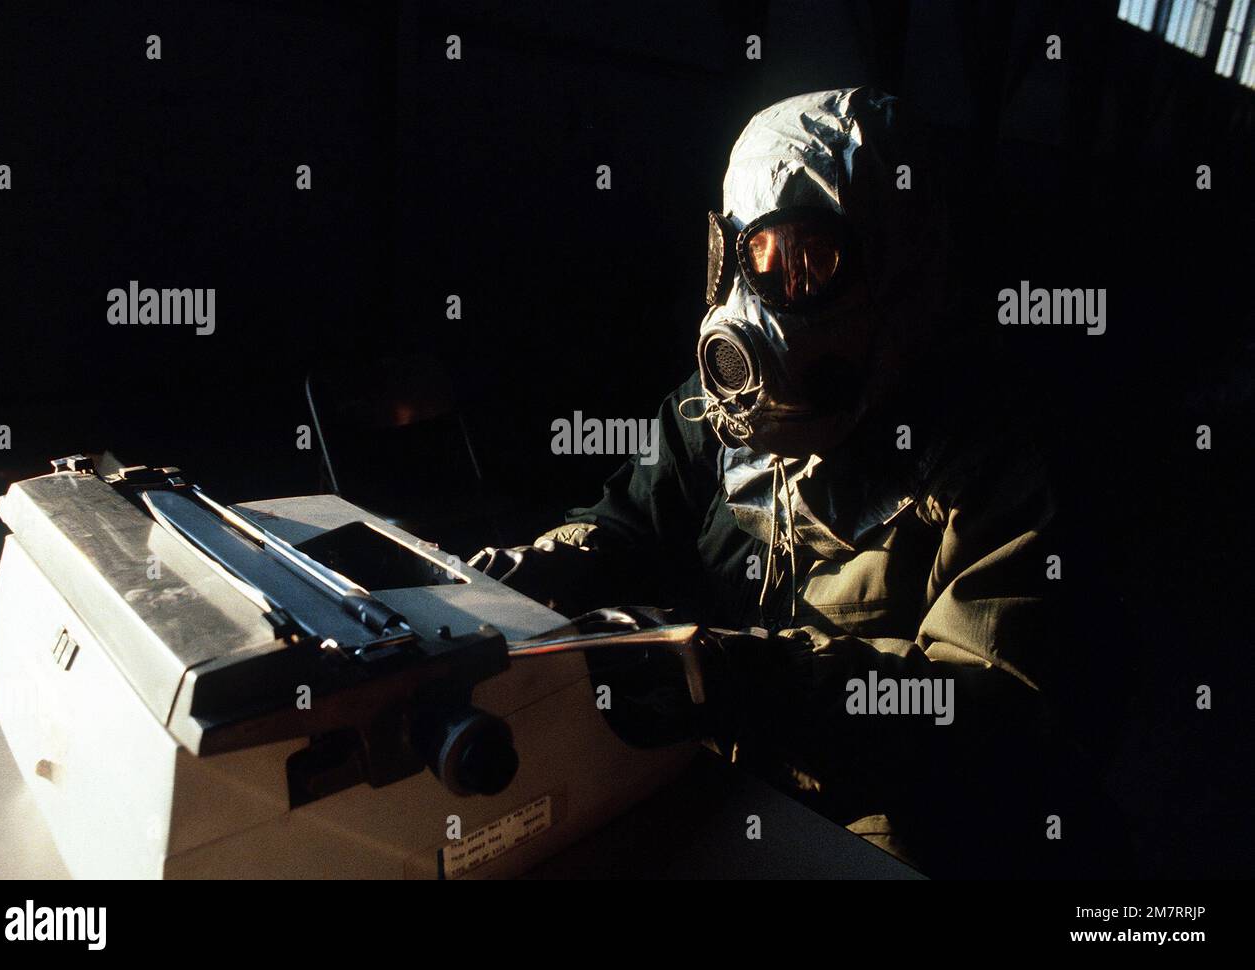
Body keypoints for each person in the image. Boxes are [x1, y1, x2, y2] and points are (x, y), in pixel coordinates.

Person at [470, 88, 1129, 877]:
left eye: (810, 264)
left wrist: (750, 679)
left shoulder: (996, 463)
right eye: (754, 260)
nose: (759, 309)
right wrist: (530, 572)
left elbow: (983, 707)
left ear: (901, 273)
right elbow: (627, 523)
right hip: (732, 779)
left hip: (901, 826)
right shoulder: (715, 412)